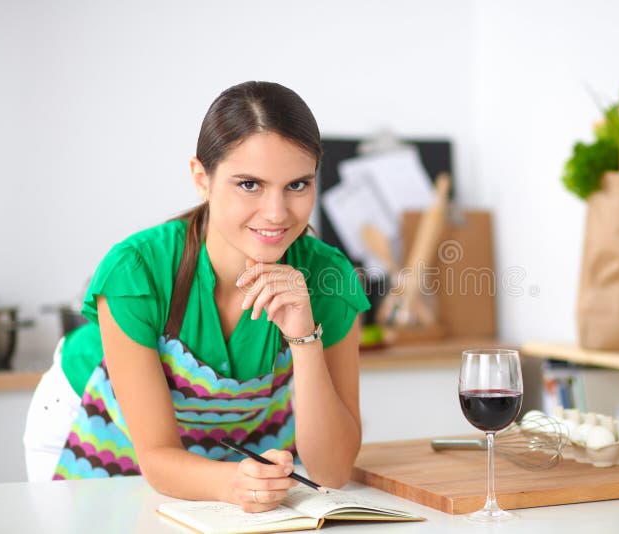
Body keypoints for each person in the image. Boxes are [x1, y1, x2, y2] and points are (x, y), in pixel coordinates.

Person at [23, 81, 370, 512]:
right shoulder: (137, 269)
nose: (277, 213)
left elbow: (332, 471)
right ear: (201, 178)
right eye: (249, 185)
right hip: (101, 430)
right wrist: (233, 482)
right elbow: (156, 457)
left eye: (297, 185)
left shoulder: (327, 277)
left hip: (235, 454)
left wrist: (304, 334)